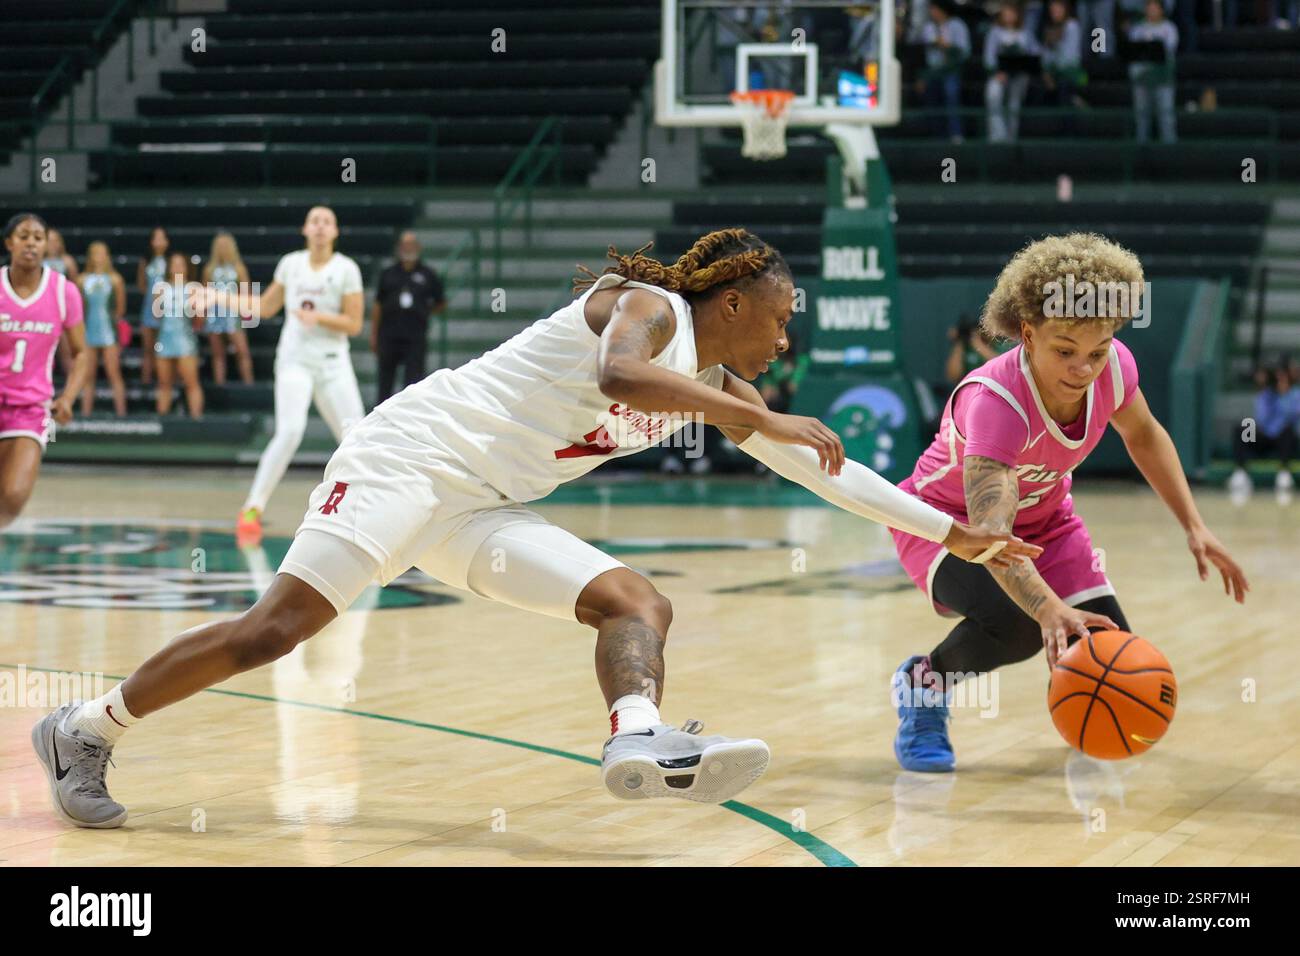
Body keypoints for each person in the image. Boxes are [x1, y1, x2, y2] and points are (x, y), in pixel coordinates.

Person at [31, 228, 1038, 828]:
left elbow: (830, 470)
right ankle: (84, 729)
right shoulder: (642, 305)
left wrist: (948, 531)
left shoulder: (719, 386)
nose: (784, 339)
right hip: (409, 458)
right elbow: (617, 376)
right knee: (273, 631)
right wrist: (756, 413)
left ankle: (636, 738)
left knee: (636, 599)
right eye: (777, 321)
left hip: (477, 506)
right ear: (729, 301)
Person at [889, 233, 1249, 773]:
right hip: (944, 525)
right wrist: (1047, 609)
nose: (1083, 369)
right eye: (1065, 351)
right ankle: (924, 684)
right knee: (1019, 626)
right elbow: (991, 535)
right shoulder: (996, 403)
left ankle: (1086, 720)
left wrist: (1194, 525)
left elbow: (1144, 434)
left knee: (1110, 647)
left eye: (1097, 352)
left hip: (1048, 522)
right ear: (1027, 334)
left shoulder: (1115, 368)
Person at [234, 206, 365, 545]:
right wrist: (216, 297)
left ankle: (364, 510)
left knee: (357, 439)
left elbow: (354, 324)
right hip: (294, 361)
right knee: (290, 431)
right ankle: (253, 508)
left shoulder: (346, 269)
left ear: (335, 231)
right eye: (315, 221)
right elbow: (264, 308)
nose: (320, 227)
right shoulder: (291, 264)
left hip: (333, 363)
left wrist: (319, 317)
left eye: (327, 222)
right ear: (305, 229)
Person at [0, 214, 90, 528]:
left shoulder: (64, 292)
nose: (31, 243)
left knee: (12, 497)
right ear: (9, 243)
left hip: (31, 408)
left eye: (38, 237)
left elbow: (81, 353)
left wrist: (67, 398)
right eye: (24, 236)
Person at [371, 230, 445, 405]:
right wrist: (374, 334)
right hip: (388, 336)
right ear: (398, 248)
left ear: (418, 248)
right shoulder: (387, 273)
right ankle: (382, 424)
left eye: (411, 245)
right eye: (404, 245)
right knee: (385, 384)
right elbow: (378, 304)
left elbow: (441, 302)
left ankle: (410, 420)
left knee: (413, 384)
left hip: (415, 337)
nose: (408, 248)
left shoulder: (428, 274)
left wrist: (424, 311)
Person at [1227, 363, 1299, 497]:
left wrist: (1283, 397)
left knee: (1288, 431)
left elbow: (1293, 415)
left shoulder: (1295, 394)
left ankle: (1284, 472)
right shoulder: (1265, 395)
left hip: (1284, 438)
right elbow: (1262, 418)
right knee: (1242, 428)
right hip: (1265, 437)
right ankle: (1241, 472)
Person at [77, 241, 128, 417]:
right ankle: (85, 415)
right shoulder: (82, 279)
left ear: (107, 256)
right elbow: (79, 309)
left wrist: (118, 332)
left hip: (108, 331)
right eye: (95, 253)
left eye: (102, 253)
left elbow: (120, 309)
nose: (99, 257)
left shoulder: (115, 279)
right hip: (89, 331)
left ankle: (122, 415)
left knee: (114, 373)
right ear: (90, 256)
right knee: (87, 375)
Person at [153, 251, 204, 418]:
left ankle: (197, 418)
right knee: (164, 383)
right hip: (165, 338)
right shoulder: (160, 288)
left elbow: (199, 319)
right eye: (174, 264)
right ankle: (162, 421)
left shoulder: (193, 288)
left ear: (186, 267)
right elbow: (156, 315)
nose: (177, 267)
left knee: (191, 382)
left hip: (185, 339)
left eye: (181, 264)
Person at [202, 231, 254, 387]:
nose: (223, 248)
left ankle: (249, 384)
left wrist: (246, 314)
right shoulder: (209, 269)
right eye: (220, 246)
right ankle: (220, 385)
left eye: (226, 245)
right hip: (215, 313)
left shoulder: (239, 268)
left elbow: (247, 292)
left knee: (242, 351)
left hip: (232, 313)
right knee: (218, 353)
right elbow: (204, 292)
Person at [984, 2, 1038, 142]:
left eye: (1012, 12)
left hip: (1019, 75)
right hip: (999, 74)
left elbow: (1036, 52)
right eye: (1006, 12)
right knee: (993, 94)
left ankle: (1011, 138)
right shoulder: (995, 32)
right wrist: (998, 71)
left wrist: (1024, 65)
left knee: (1014, 103)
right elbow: (988, 57)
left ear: (1017, 15)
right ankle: (997, 136)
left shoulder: (1025, 32)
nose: (1008, 15)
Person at [918, 0, 971, 142]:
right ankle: (937, 135)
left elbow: (964, 51)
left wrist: (947, 45)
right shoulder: (929, 27)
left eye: (935, 9)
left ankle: (956, 133)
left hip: (953, 69)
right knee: (930, 94)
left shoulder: (957, 25)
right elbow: (924, 50)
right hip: (934, 70)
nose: (932, 12)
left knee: (951, 92)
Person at [1127, 0, 1178, 143]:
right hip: (1142, 80)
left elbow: (1166, 53)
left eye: (1155, 7)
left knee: (1166, 119)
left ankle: (1170, 153)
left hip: (1163, 79)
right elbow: (1134, 55)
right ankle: (1142, 155)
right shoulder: (1137, 29)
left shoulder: (1169, 28)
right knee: (1142, 119)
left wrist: (1149, 53)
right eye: (1149, 7)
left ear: (1161, 10)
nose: (1151, 10)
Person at [1039, 0, 1085, 128]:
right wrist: (1047, 72)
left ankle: (1069, 129)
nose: (1055, 13)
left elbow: (1070, 57)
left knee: (1064, 88)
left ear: (1065, 10)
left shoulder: (1072, 26)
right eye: (1053, 10)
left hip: (1073, 72)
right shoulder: (1049, 28)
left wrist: (1053, 70)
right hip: (1055, 72)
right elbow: (1046, 56)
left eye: (1058, 10)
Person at [136, 227, 169, 386]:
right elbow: (141, 284)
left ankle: (166, 382)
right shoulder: (146, 261)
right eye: (156, 238)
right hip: (149, 308)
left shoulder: (171, 261)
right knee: (148, 350)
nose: (159, 242)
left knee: (166, 349)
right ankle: (146, 383)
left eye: (162, 238)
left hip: (168, 309)